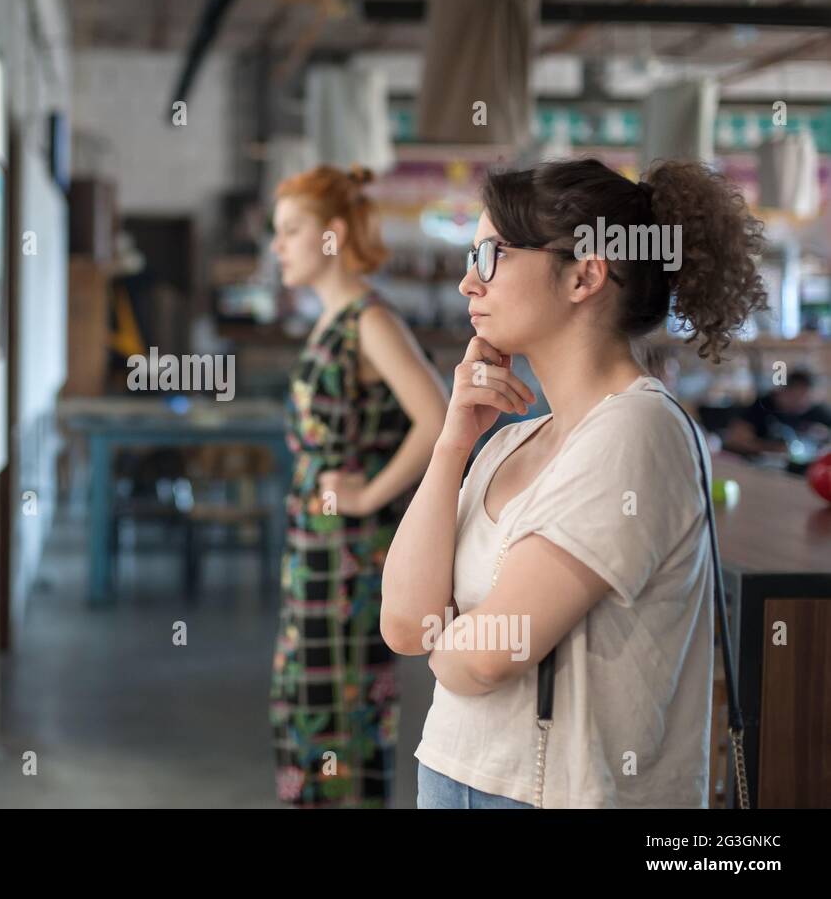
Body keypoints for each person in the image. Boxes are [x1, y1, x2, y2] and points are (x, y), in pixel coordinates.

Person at [381, 157, 769, 808]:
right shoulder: (507, 438)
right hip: (453, 771)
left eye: (489, 254)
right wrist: (452, 443)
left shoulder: (638, 429)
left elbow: (490, 654)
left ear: (585, 273)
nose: (465, 283)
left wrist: (443, 643)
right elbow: (401, 624)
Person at [268, 164, 448, 807]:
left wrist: (371, 494)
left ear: (330, 236)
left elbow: (437, 414)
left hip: (348, 557)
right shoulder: (331, 319)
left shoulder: (370, 320)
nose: (278, 245)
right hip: (313, 550)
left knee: (339, 714)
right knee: (306, 704)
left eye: (291, 230)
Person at [724, 368, 831, 458]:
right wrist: (775, 449)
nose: (803, 402)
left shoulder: (817, 411)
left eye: (806, 397)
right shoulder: (762, 406)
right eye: (797, 396)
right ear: (785, 390)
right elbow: (734, 440)